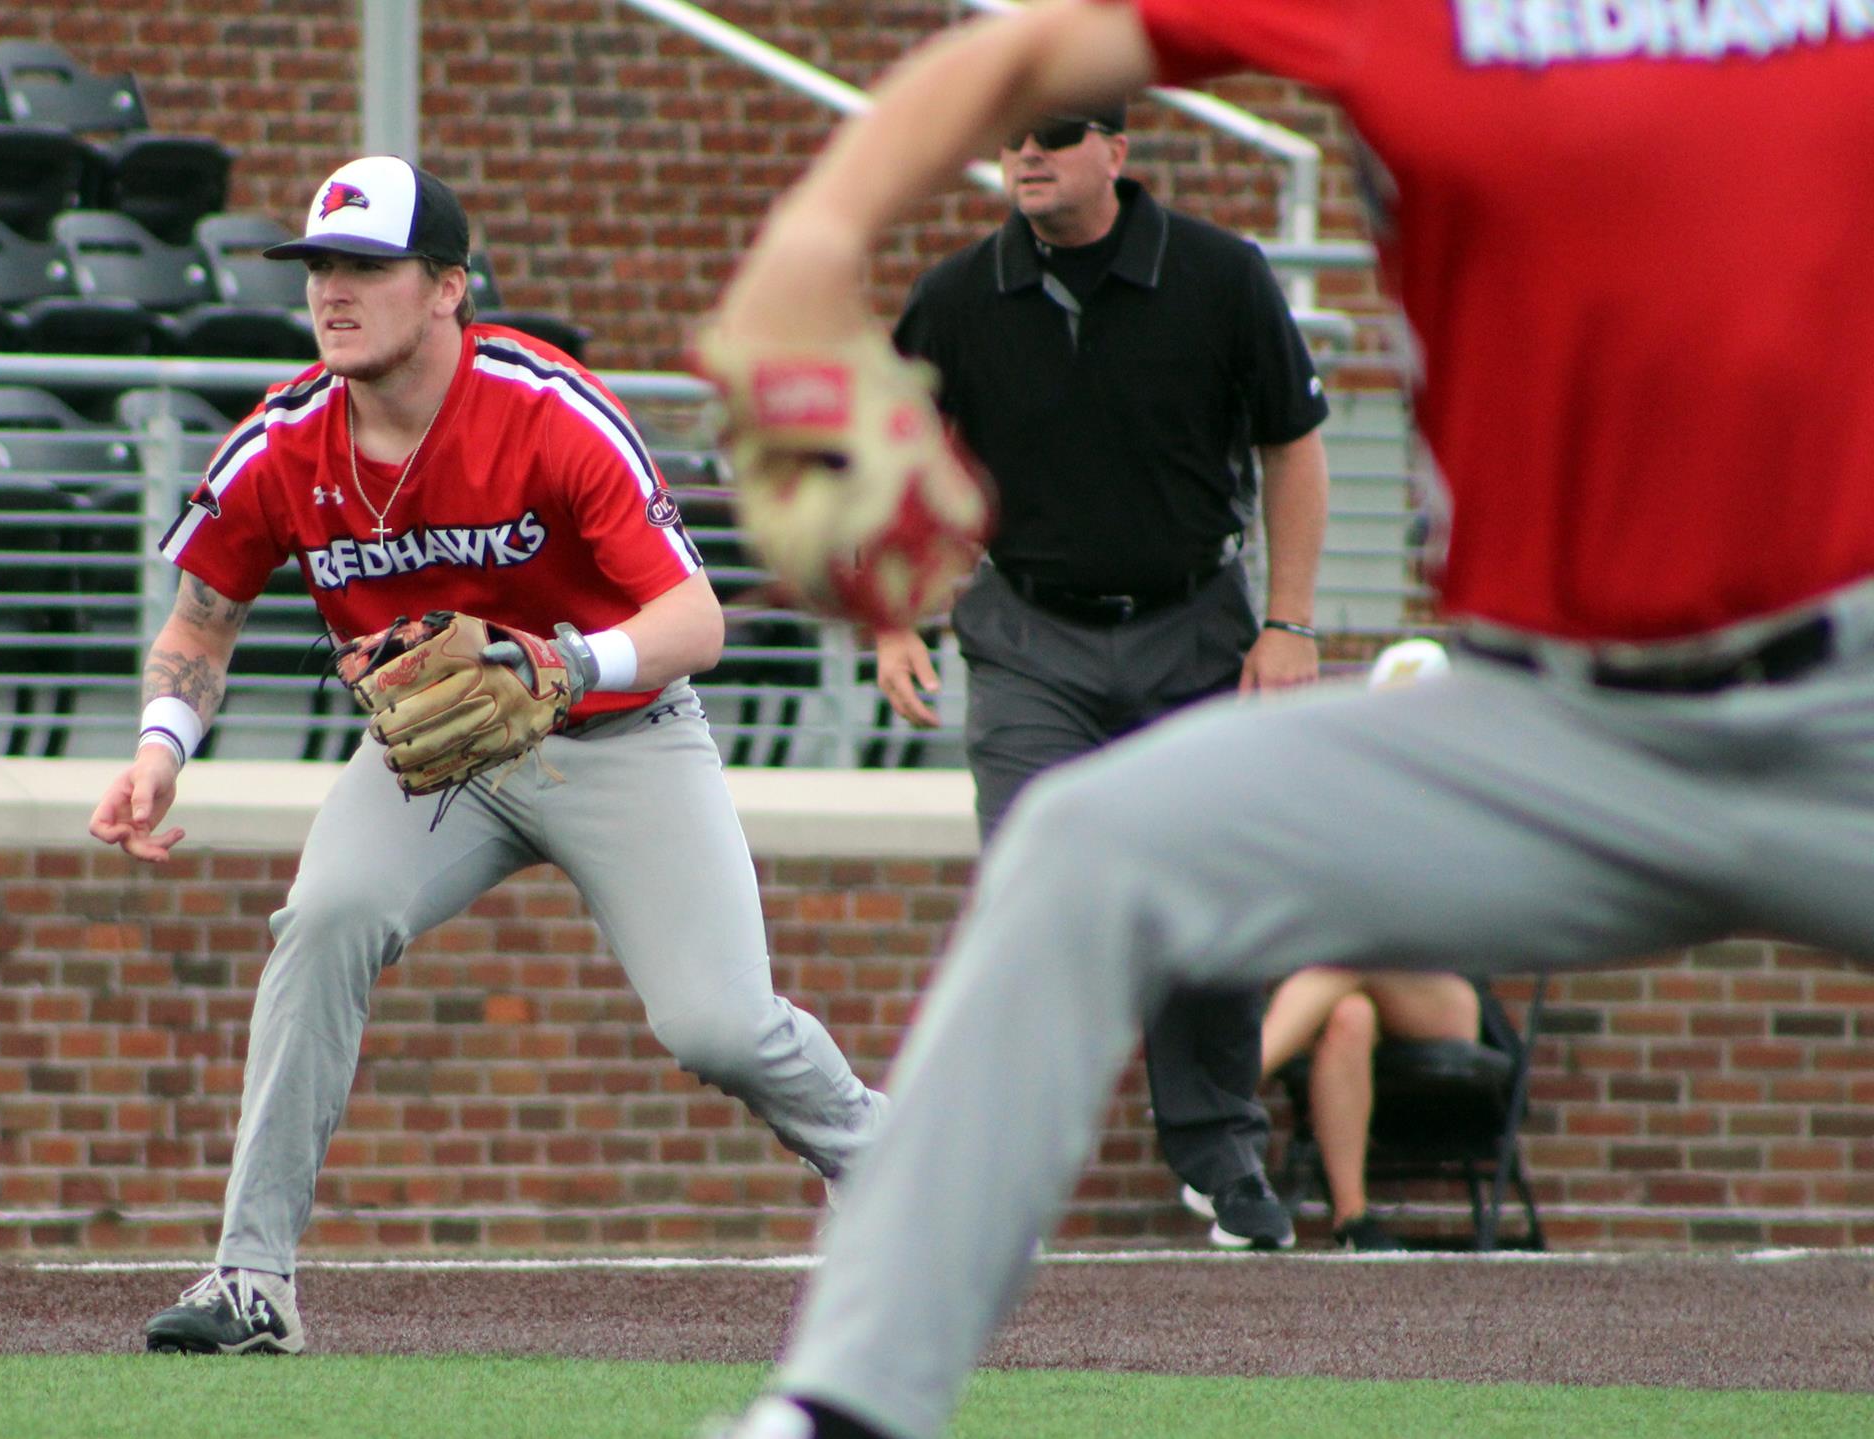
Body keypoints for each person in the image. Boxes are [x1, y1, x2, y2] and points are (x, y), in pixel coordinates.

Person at [704, 2, 1874, 1436]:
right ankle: (843, 1409)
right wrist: (810, 248)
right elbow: (1023, 50)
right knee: (1081, 848)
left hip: (1848, 703)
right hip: (1543, 731)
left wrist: (1293, 621)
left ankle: (1211, 1152)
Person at [87, 155, 886, 1355]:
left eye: (367, 266)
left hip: (619, 733)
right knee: (323, 922)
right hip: (436, 760)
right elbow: (199, 626)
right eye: (319, 267)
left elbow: (695, 621)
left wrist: (564, 664)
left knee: (717, 1026)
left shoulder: (547, 405)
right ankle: (251, 1278)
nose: (333, 291)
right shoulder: (283, 439)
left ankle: (888, 1158)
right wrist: (160, 747)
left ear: (448, 285)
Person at [877, 99, 1331, 1250]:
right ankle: (1004, 1161)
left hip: (1197, 630)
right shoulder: (956, 298)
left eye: (1055, 132)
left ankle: (1218, 1147)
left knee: (1210, 891)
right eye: (1010, 136)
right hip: (1031, 636)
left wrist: (1288, 621)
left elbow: (1293, 444)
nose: (1026, 152)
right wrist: (891, 618)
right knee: (1034, 889)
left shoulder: (1222, 277)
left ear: (1115, 153)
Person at [1257, 639, 1475, 1254]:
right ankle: (1353, 1219)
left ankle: (1234, 1083)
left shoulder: (1472, 796)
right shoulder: (1356, 799)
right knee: (1349, 1014)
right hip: (1353, 977)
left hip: (1445, 997)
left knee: (1347, 962)